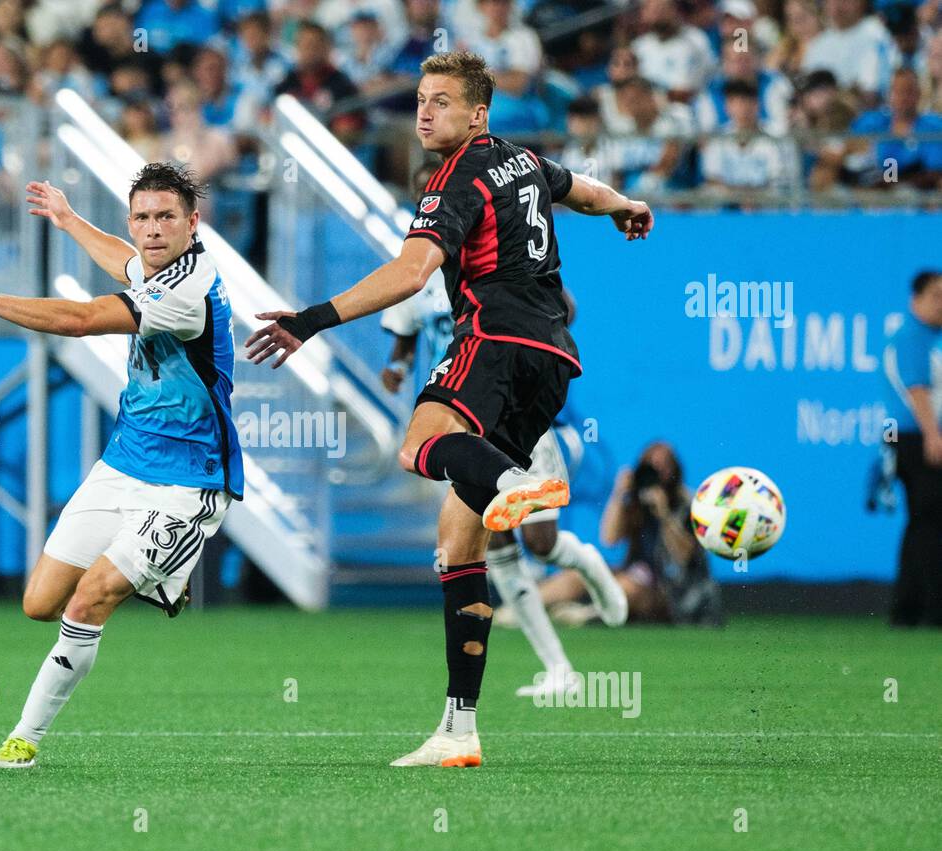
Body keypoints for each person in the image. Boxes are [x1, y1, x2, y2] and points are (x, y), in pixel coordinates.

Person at [246, 51, 652, 768]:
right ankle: (459, 730)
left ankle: (514, 484)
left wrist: (308, 321)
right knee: (458, 544)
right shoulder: (521, 160)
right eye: (421, 100)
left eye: (440, 100)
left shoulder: (455, 177)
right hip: (555, 358)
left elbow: (411, 273)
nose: (425, 112)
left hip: (494, 340)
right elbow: (579, 190)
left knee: (420, 441)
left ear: (477, 113)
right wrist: (624, 205)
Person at [0, 163, 245, 769]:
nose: (152, 230)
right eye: (143, 217)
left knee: (87, 600)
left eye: (166, 217)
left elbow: (80, 320)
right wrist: (69, 220)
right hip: (122, 465)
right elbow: (123, 261)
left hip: (187, 481)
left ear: (193, 223)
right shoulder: (154, 265)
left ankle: (24, 739)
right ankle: (149, 574)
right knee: (39, 602)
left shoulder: (188, 290)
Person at [380, 164, 627, 698]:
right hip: (467, 418)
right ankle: (559, 669)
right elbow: (403, 333)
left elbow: (565, 308)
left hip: (519, 420)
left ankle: (586, 564)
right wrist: (397, 368)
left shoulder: (503, 256)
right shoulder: (416, 271)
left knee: (543, 543)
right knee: (497, 556)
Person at [540, 441, 721, 625]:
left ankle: (585, 615)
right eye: (652, 465)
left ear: (675, 470)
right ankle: (522, 608)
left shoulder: (689, 503)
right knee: (580, 573)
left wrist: (664, 514)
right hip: (636, 578)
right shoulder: (637, 501)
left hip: (676, 595)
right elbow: (609, 538)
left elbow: (683, 557)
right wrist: (618, 494)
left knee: (630, 585)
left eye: (665, 465)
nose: (658, 472)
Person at [882, 270, 942, 627]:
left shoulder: (927, 338)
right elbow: (916, 390)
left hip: (915, 436)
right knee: (929, 521)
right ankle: (927, 609)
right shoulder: (912, 337)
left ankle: (909, 610)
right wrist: (933, 435)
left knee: (924, 521)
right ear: (914, 300)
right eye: (936, 295)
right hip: (914, 438)